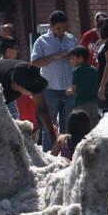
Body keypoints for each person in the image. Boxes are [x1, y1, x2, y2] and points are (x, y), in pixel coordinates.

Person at [0, 59, 57, 146]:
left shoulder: (28, 72)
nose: (32, 93)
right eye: (29, 89)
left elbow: (42, 108)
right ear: (17, 85)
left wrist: (52, 136)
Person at [32, 10, 77, 149]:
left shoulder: (71, 39)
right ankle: (49, 154)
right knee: (49, 126)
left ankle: (65, 153)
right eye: (58, 28)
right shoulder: (42, 41)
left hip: (69, 88)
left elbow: (80, 59)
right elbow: (34, 63)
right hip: (50, 88)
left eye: (64, 28)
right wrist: (54, 56)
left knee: (67, 125)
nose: (61, 31)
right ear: (51, 27)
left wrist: (72, 57)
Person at [66, 46, 100, 125]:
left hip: (81, 103)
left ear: (80, 58)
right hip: (94, 103)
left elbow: (74, 90)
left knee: (81, 126)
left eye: (72, 58)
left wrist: (68, 91)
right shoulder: (94, 69)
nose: (71, 61)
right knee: (93, 126)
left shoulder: (77, 70)